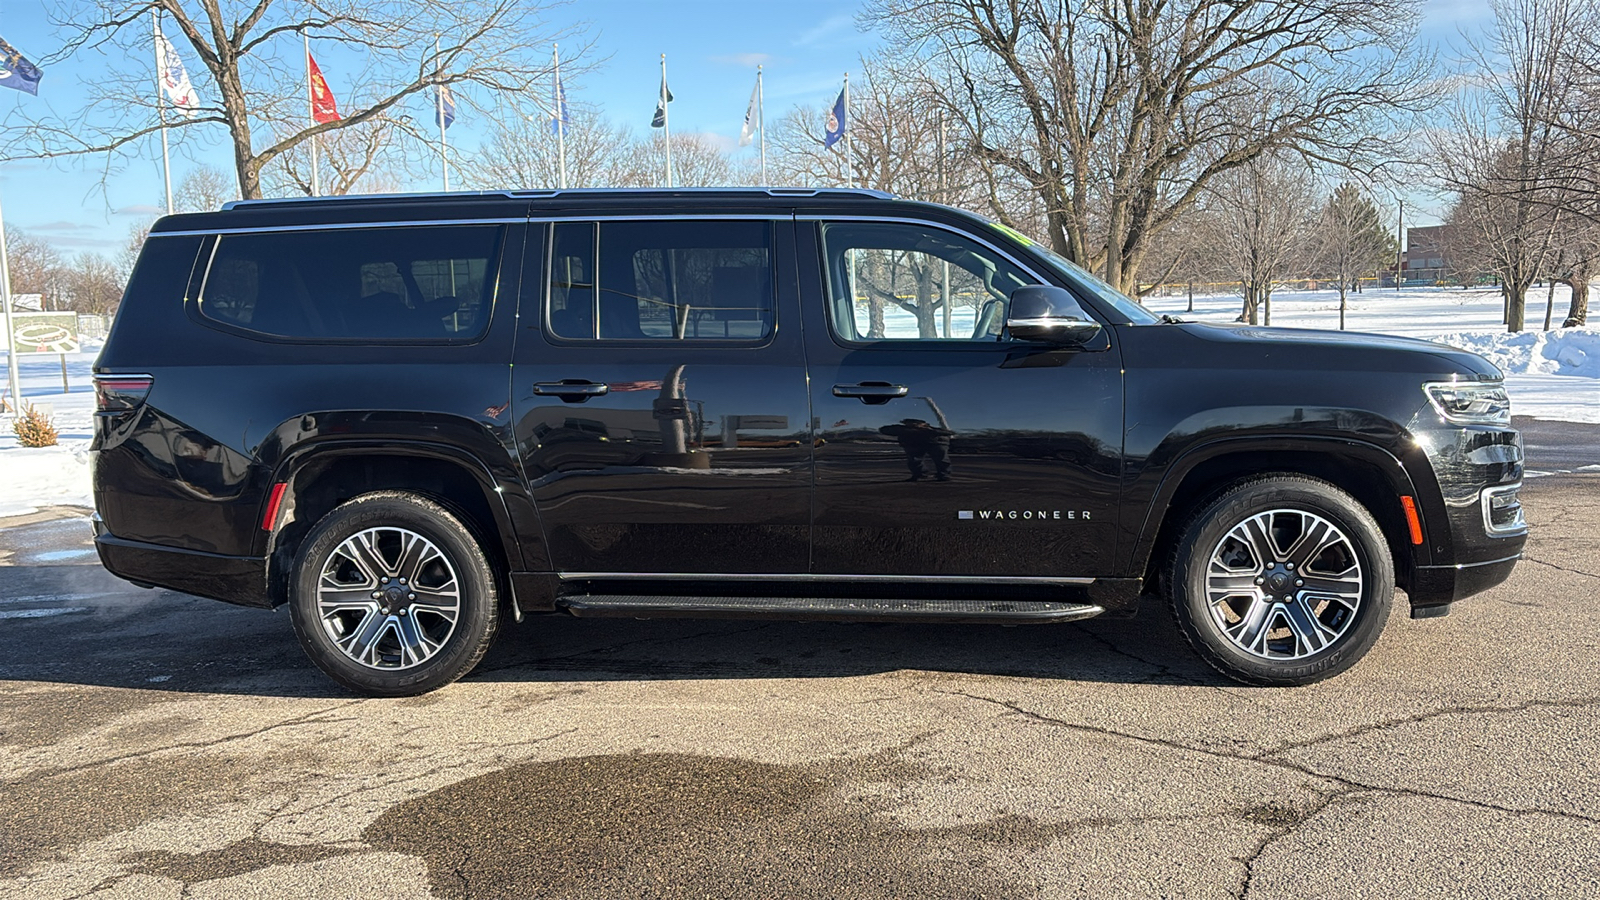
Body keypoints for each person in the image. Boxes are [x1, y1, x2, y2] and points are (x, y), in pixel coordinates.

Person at [879, 418, 953, 482]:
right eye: (909, 423)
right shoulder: (903, 429)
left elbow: (948, 432)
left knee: (941, 459)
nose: (913, 425)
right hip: (914, 444)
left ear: (924, 424)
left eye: (916, 423)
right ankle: (920, 474)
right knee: (914, 460)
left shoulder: (932, 430)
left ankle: (944, 475)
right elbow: (884, 430)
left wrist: (925, 430)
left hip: (934, 444)